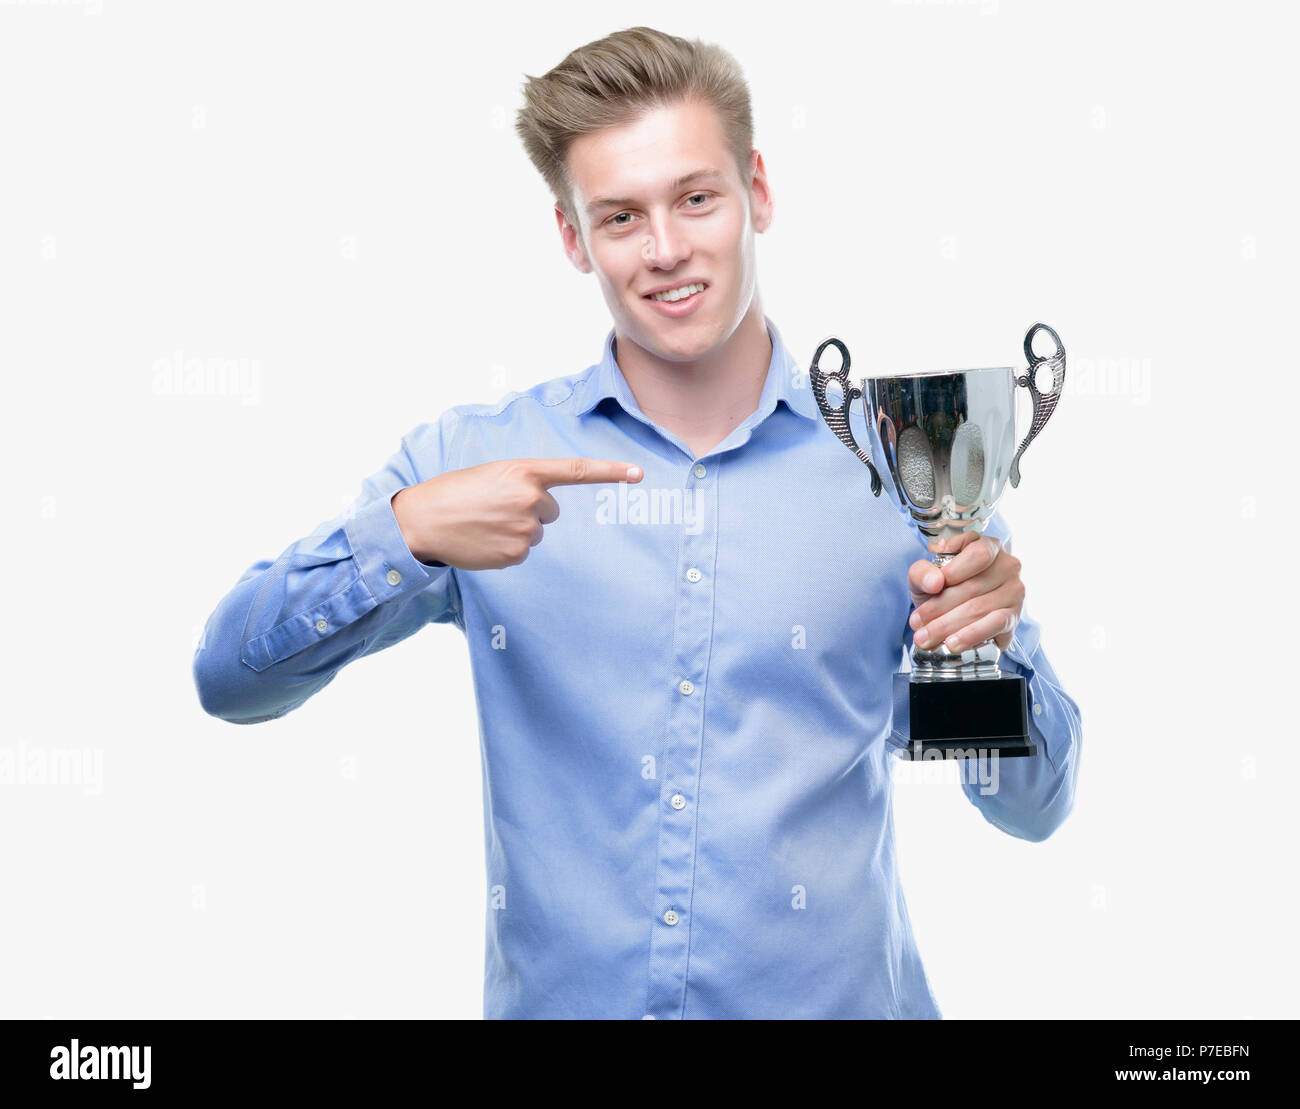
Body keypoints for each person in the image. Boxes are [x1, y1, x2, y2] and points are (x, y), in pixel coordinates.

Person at [192, 25, 1081, 1019]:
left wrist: (987, 648)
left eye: (695, 198)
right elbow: (230, 678)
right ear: (573, 237)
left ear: (758, 191)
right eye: (619, 216)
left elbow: (1032, 811)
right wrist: (402, 532)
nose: (665, 250)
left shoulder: (902, 468)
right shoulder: (472, 461)